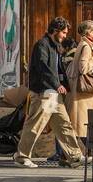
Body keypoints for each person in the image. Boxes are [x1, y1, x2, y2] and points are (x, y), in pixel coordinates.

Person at [14, 17, 83, 170]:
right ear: (56, 30)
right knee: (35, 125)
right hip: (43, 93)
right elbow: (44, 68)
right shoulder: (42, 45)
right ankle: (22, 157)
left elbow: (55, 69)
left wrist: (61, 84)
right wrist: (57, 84)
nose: (65, 36)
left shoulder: (54, 46)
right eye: (63, 32)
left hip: (52, 94)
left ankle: (75, 155)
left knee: (64, 124)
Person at [67, 19, 93, 145]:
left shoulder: (83, 44)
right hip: (85, 93)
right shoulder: (87, 47)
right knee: (85, 123)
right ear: (88, 32)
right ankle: (92, 153)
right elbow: (83, 68)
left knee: (81, 124)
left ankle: (84, 153)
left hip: (82, 91)